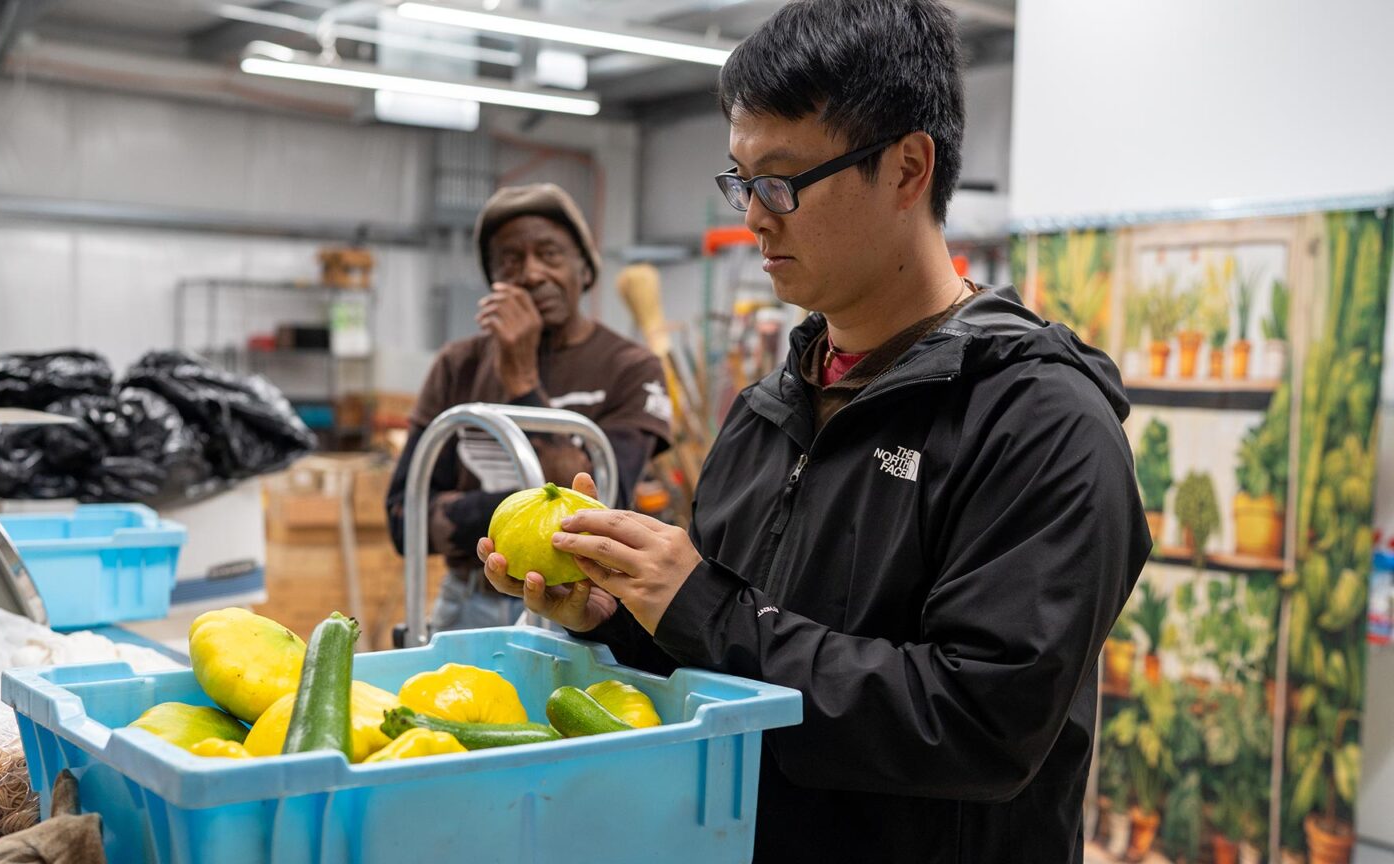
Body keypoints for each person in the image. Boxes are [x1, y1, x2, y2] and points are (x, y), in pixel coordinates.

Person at [478, 1, 1150, 860]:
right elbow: (734, 655)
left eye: (782, 181)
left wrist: (703, 610)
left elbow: (981, 724)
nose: (756, 218)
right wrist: (622, 615)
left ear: (907, 168)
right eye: (742, 181)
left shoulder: (1038, 423)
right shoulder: (771, 408)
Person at [387, 183, 672, 634]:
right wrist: (542, 515)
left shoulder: (630, 367)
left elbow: (607, 504)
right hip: (471, 602)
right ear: (493, 282)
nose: (532, 274)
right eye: (510, 260)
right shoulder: (458, 365)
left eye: (550, 254)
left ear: (585, 268)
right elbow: (405, 521)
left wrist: (522, 381)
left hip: (583, 604)